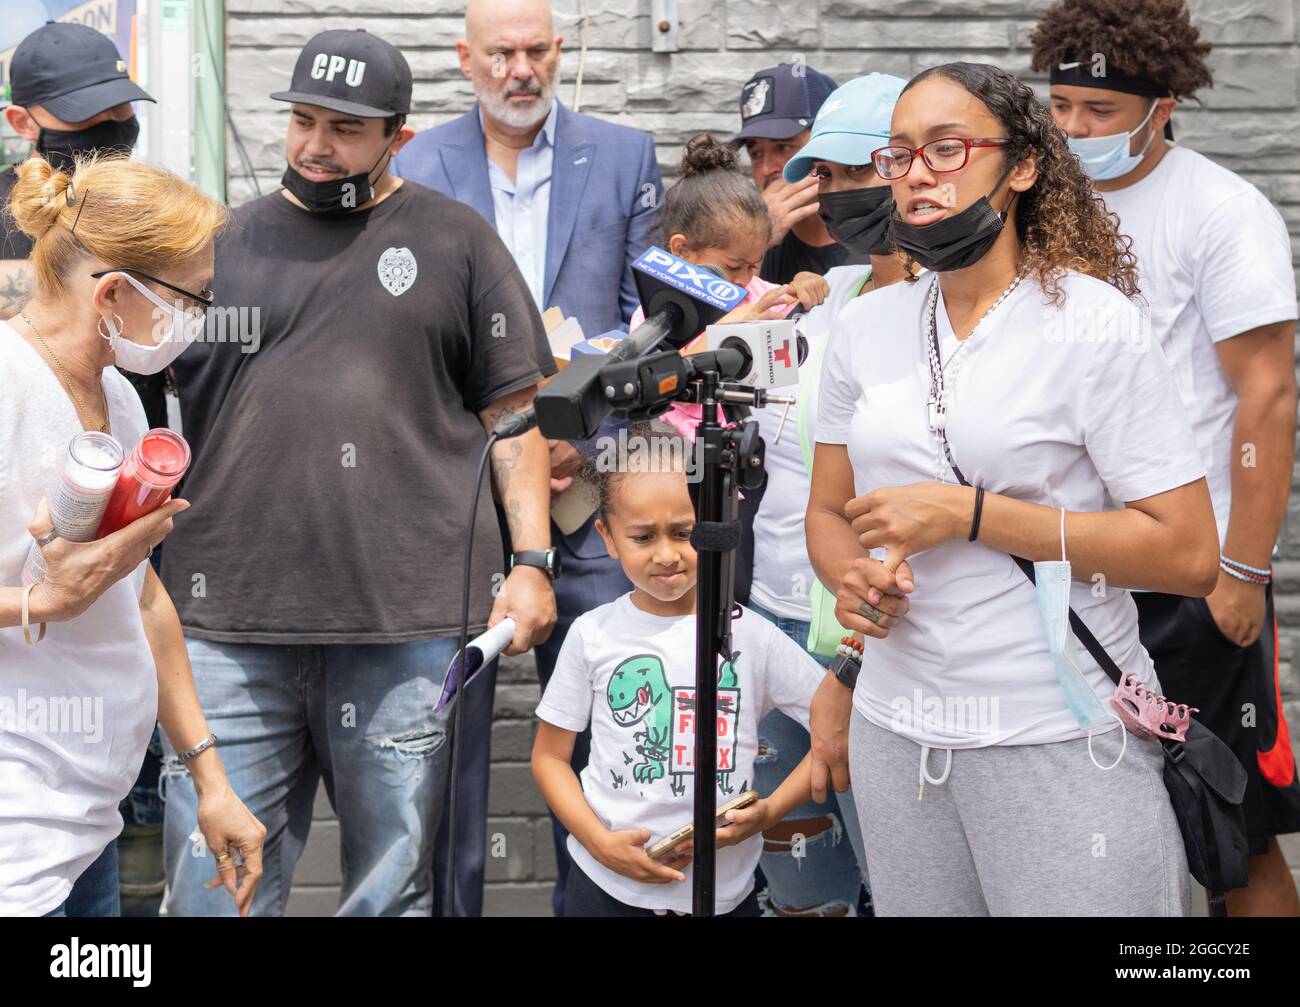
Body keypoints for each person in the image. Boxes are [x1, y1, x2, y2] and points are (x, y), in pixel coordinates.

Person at [159, 28, 557, 917]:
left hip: (404, 625)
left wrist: (532, 561)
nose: (314, 145)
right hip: (227, 625)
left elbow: (517, 421)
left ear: (398, 137)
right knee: (210, 888)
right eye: (302, 120)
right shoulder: (213, 244)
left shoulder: (459, 242)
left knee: (391, 888)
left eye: (344, 128)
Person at [806, 61, 1220, 916]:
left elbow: (1186, 553)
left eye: (947, 149)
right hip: (899, 733)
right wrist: (849, 577)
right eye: (900, 155)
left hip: (1057, 735)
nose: (918, 173)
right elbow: (826, 511)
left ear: (1024, 165)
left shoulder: (1094, 324)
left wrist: (974, 515)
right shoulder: (865, 326)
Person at [393, 0, 663, 915]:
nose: (521, 69)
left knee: (603, 742)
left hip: (587, 498)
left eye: (537, 50)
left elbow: (648, 324)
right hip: (458, 497)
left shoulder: (624, 156)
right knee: (447, 754)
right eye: (501, 53)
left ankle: (596, 903)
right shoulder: (416, 162)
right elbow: (401, 339)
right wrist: (493, 441)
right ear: (465, 60)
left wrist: (571, 430)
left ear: (560, 51)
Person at [1031, 0, 1300, 917]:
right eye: (1061, 106)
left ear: (1165, 102)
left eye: (1099, 112)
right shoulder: (1037, 207)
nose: (1075, 129)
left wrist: (1242, 571)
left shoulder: (1222, 210)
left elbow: (1266, 394)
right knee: (1096, 819)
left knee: (1231, 828)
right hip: (1072, 563)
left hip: (1191, 567)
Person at [0, 153, 264, 917]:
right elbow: (62, 597)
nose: (203, 319)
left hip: (87, 830)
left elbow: (142, 600)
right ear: (114, 293)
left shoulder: (117, 398)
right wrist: (43, 603)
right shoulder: (10, 388)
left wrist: (211, 782)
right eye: (194, 297)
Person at [531, 423, 831, 916]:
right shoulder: (591, 634)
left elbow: (834, 726)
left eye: (684, 533)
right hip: (606, 892)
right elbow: (548, 759)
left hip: (725, 898)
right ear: (607, 536)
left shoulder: (751, 637)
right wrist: (599, 843)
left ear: (713, 525)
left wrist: (772, 812)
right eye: (643, 537)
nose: (667, 555)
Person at [744, 72, 912, 917]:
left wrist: (846, 671)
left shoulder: (943, 312)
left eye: (860, 173)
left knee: (903, 880)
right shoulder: (823, 300)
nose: (842, 196)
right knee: (803, 893)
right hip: (774, 620)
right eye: (831, 177)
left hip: (873, 644)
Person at [731, 63, 847, 284]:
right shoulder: (750, 247)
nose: (766, 169)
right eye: (755, 153)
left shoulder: (871, 233)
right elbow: (717, 316)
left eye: (783, 147)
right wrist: (756, 240)